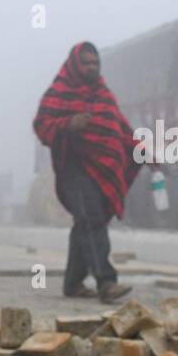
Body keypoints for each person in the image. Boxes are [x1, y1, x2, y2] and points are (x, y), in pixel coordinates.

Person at [33, 41, 149, 303]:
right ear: (75, 64)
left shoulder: (103, 94)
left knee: (84, 223)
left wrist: (141, 151)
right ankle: (106, 282)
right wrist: (69, 123)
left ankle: (73, 284)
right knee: (91, 219)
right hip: (74, 167)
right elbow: (42, 126)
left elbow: (119, 128)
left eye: (95, 63)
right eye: (85, 62)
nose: (91, 67)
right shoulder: (60, 91)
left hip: (101, 170)